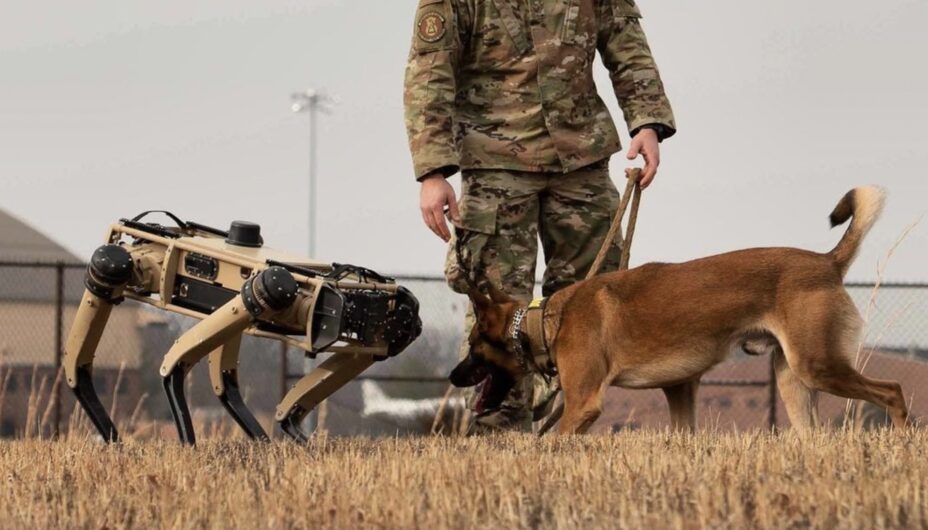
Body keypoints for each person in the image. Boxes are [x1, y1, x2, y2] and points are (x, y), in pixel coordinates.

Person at [404, 0, 676, 432]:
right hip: (494, 164)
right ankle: (499, 432)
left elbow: (625, 40)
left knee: (594, 297)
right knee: (497, 308)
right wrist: (432, 171)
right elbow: (429, 72)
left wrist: (647, 122)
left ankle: (566, 420)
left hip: (580, 157)